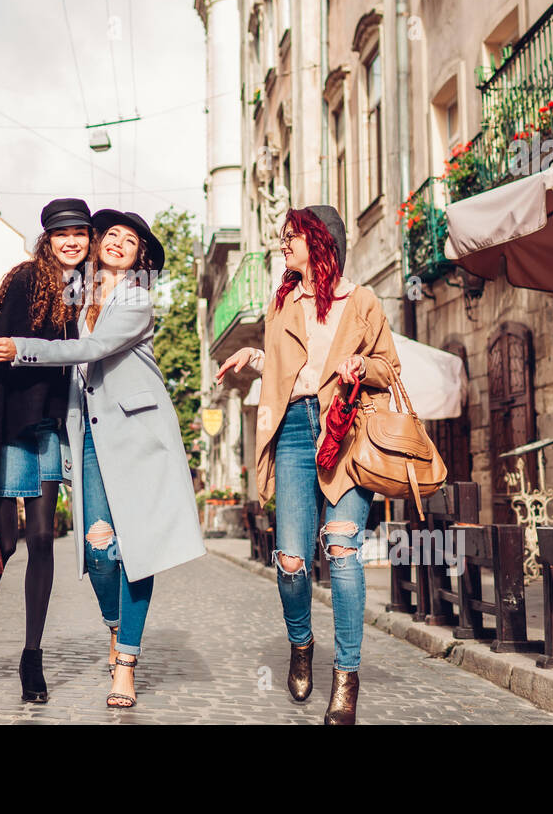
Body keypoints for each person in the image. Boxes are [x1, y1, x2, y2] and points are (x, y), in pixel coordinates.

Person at [0, 209, 205, 708]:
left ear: (139, 256)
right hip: (89, 436)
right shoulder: (77, 295)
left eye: (132, 240)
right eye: (114, 235)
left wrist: (20, 348)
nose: (121, 243)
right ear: (100, 244)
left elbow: (93, 348)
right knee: (99, 551)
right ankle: (116, 624)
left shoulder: (136, 300)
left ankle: (125, 663)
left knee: (137, 552)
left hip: (138, 435)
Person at [216, 205, 401, 724]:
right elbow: (286, 368)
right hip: (296, 433)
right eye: (283, 237)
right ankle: (302, 643)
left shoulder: (362, 302)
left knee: (342, 550)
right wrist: (253, 356)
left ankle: (347, 676)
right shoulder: (282, 306)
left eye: (292, 236)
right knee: (292, 562)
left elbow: (391, 367)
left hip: (345, 431)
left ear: (322, 242)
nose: (284, 244)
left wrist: (364, 365)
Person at [0, 197, 92, 703]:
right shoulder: (27, 279)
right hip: (10, 427)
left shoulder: (86, 292)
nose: (73, 241)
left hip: (49, 427)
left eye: (81, 233)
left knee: (45, 536)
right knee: (5, 544)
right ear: (46, 238)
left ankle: (32, 656)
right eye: (62, 233)